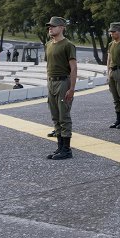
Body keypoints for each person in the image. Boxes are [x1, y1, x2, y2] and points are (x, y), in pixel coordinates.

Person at [45, 16, 77, 160]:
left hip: (63, 82)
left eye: (54, 26)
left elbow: (73, 68)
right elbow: (49, 66)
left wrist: (72, 88)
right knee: (55, 116)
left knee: (64, 116)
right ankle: (59, 147)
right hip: (51, 82)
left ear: (62, 27)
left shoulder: (67, 45)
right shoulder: (49, 44)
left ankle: (67, 149)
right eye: (49, 26)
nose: (50, 28)